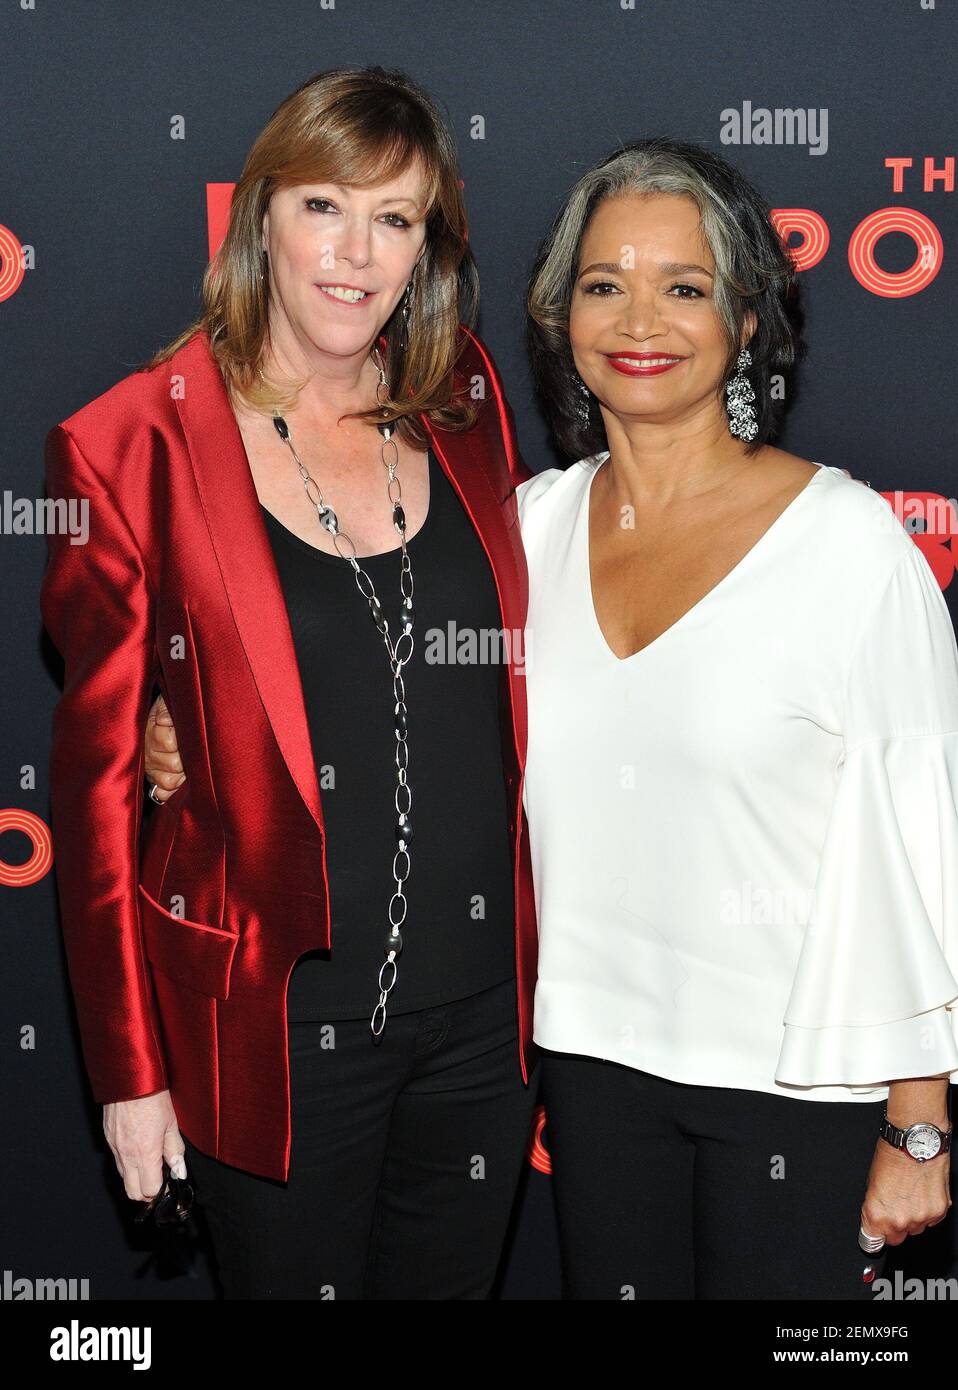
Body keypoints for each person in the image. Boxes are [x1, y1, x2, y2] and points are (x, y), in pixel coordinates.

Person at [40, 65, 539, 1300]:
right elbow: (98, 797)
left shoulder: (461, 396)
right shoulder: (127, 446)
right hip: (275, 1033)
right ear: (259, 214)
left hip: (483, 1025)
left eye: (397, 218)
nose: (355, 256)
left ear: (428, 245)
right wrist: (127, 1073)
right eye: (325, 205)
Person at [516, 137, 956, 1298]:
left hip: (798, 1079)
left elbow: (917, 840)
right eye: (603, 283)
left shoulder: (849, 546)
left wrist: (920, 1121)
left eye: (685, 285)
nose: (638, 318)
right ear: (562, 315)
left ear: (747, 318)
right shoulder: (526, 532)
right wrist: (178, 742)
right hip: (588, 1059)